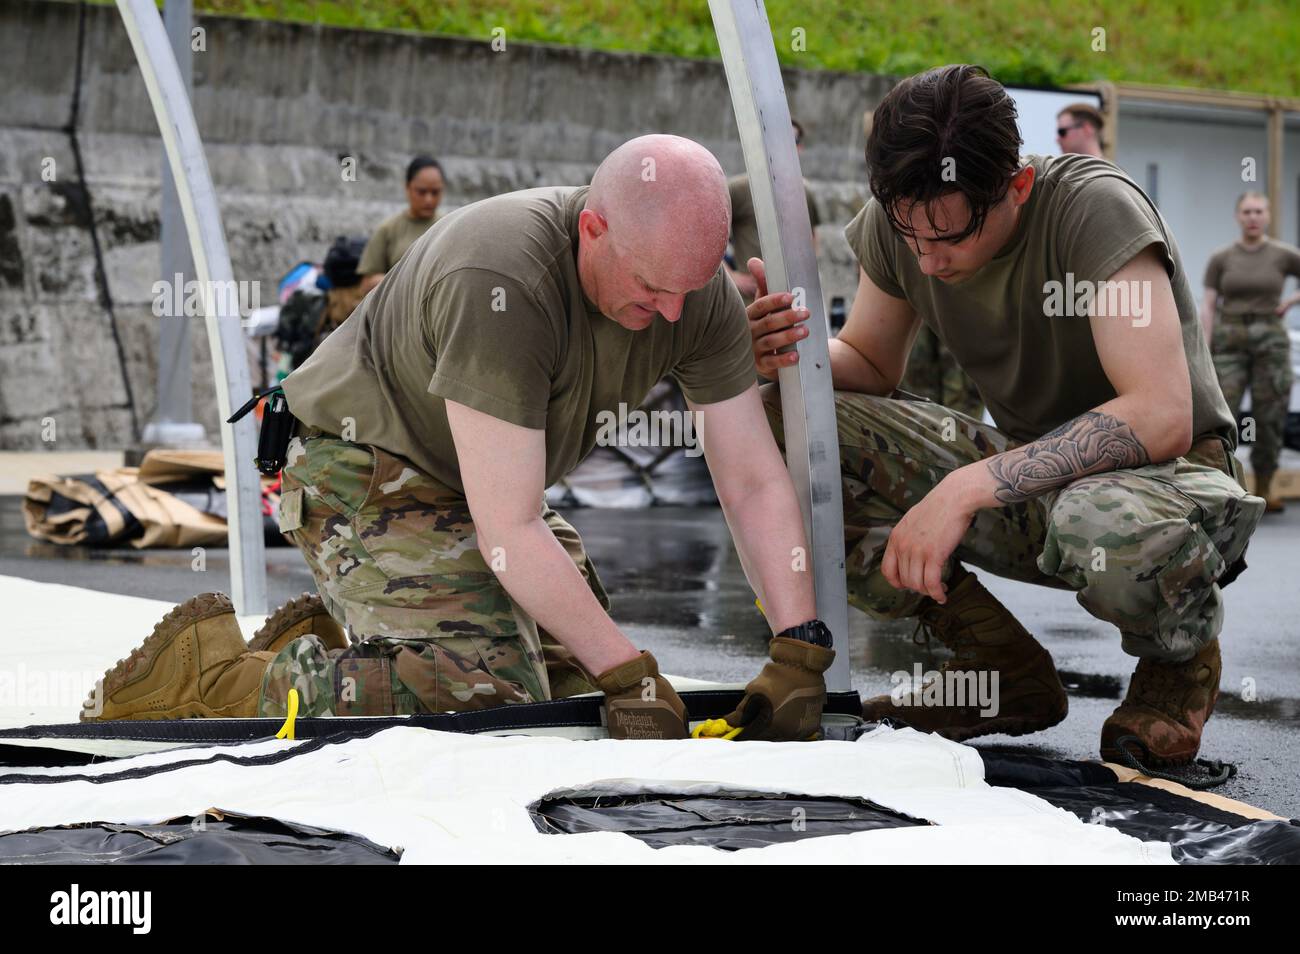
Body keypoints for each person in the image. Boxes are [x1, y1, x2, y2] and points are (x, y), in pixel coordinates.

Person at [83, 135, 838, 743]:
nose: (675, 313)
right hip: (363, 469)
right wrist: (629, 670)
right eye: (652, 289)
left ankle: (350, 652)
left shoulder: (687, 288)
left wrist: (798, 647)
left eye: (692, 289)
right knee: (491, 695)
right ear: (594, 229)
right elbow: (507, 527)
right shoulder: (503, 275)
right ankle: (211, 676)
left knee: (568, 703)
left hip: (479, 483)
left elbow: (750, 478)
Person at [748, 65, 1263, 766]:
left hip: (1167, 482)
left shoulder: (1094, 209)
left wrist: (963, 488)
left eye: (951, 238)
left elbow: (1162, 414)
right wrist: (775, 354)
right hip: (1034, 480)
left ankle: (1179, 665)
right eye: (912, 237)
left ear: (1016, 187)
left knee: (1097, 518)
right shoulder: (905, 223)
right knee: (786, 423)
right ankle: (995, 667)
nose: (929, 262)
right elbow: (869, 366)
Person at [1202, 191, 1300, 512]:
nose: (1253, 217)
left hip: (1269, 339)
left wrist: (1289, 301)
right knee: (1222, 414)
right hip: (1230, 339)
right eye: (1247, 211)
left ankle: (1266, 486)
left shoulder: (1283, 255)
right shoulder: (1222, 257)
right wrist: (1204, 345)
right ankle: (1223, 486)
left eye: (1259, 211)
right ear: (1238, 217)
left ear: (1268, 216)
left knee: (1268, 415)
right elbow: (1209, 304)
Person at [726, 119, 820, 301]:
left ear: (799, 149)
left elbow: (812, 239)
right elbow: (702, 232)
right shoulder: (740, 189)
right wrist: (731, 276)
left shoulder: (804, 192)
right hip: (748, 302)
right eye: (775, 141)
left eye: (790, 142)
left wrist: (804, 280)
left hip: (789, 299)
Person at [357, 155, 446, 291]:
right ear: (408, 188)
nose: (429, 199)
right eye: (422, 192)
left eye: (435, 192)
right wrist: (406, 281)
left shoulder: (448, 227)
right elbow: (367, 283)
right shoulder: (388, 229)